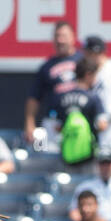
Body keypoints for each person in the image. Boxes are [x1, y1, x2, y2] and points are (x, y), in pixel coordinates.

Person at [23, 20, 84, 150]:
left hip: (80, 121)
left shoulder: (83, 62)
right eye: (57, 36)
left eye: (64, 36)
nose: (60, 40)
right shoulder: (47, 66)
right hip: (54, 123)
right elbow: (34, 97)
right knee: (50, 157)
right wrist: (29, 124)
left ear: (73, 37)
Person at [45, 56, 108, 168]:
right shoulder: (93, 97)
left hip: (66, 154)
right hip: (89, 155)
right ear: (88, 75)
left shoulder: (60, 97)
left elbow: (55, 127)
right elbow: (102, 125)